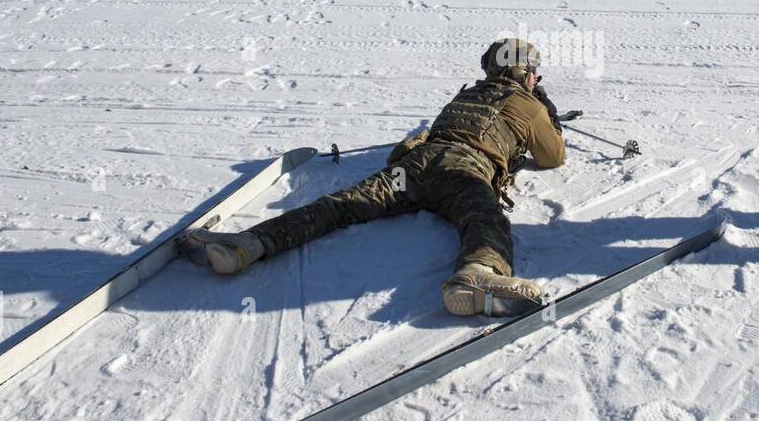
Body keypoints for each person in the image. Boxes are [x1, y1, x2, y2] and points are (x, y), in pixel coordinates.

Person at [178, 39, 566, 316]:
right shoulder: (527, 105)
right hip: (463, 172)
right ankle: (477, 274)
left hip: (413, 169)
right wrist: (545, 112)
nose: (536, 77)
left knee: (340, 206)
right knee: (484, 218)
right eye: (533, 72)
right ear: (524, 72)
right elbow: (552, 156)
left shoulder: (463, 97)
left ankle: (248, 244)